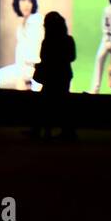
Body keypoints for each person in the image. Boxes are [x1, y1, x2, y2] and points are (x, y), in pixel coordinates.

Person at [31, 11, 76, 139]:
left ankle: (43, 131)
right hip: (64, 76)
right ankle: (67, 132)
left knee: (45, 106)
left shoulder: (47, 41)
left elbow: (43, 57)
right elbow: (72, 57)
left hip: (50, 77)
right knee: (62, 105)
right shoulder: (68, 40)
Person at [12, 0, 44, 92]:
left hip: (37, 70)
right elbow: (20, 53)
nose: (26, 4)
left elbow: (36, 52)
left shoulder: (37, 20)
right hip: (24, 69)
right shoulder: (21, 25)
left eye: (30, 1)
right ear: (18, 2)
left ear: (33, 4)